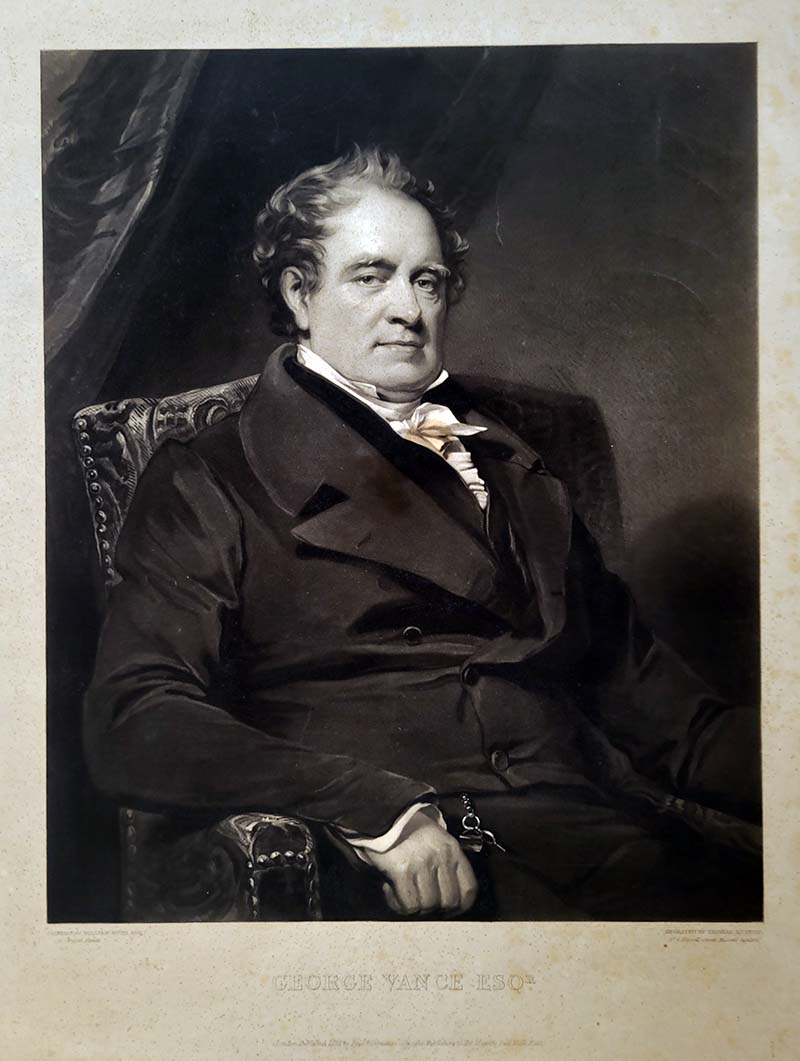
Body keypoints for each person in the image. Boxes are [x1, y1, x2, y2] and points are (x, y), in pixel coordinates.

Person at [84, 146, 761, 920]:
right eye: (372, 277)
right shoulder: (211, 477)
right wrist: (377, 809)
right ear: (300, 294)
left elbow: (674, 720)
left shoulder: (514, 465)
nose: (407, 308)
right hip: (429, 867)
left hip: (596, 827)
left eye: (427, 280)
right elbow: (134, 718)